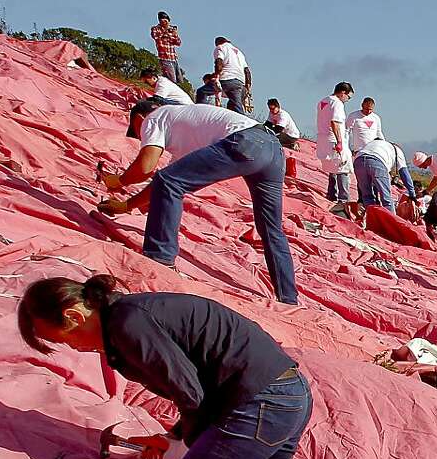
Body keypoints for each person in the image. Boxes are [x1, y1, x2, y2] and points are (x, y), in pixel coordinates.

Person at [17, 275, 393, 459]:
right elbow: (196, 389)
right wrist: (173, 438)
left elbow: (190, 393)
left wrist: (184, 445)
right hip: (288, 394)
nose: (77, 350)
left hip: (258, 403)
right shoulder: (134, 313)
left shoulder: (128, 324)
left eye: (62, 341)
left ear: (72, 317)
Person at [97, 99, 298, 306]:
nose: (141, 138)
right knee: (271, 229)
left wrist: (118, 180)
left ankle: (160, 260)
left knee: (169, 181)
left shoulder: (155, 118)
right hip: (274, 150)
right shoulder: (185, 126)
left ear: (139, 119)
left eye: (136, 132)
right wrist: (126, 206)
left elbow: (146, 167)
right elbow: (162, 186)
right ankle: (289, 298)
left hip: (247, 142)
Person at [353, 136, 419, 214]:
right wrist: (412, 195)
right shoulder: (397, 150)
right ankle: (392, 223)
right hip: (377, 161)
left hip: (358, 161)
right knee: (386, 199)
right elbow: (404, 173)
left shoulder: (372, 145)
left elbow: (362, 182)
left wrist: (361, 197)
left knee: (367, 197)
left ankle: (372, 222)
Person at [315, 82, 355, 208]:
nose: (347, 100)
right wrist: (339, 141)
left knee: (332, 168)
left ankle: (331, 194)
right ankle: (343, 199)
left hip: (323, 139)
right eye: (348, 97)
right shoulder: (337, 103)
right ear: (343, 92)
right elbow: (335, 122)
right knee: (342, 168)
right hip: (333, 139)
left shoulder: (323, 101)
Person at [212, 36, 250, 113]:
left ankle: (200, 112)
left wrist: (216, 76)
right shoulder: (239, 52)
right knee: (232, 105)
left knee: (202, 92)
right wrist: (248, 86)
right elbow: (247, 71)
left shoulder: (220, 48)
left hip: (227, 79)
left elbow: (219, 63)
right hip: (240, 83)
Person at [150, 12, 183, 87]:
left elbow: (178, 43)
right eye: (163, 21)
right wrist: (167, 32)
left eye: (166, 21)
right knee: (172, 81)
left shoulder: (172, 30)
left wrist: (174, 34)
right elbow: (156, 37)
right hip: (164, 57)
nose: (165, 23)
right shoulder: (155, 29)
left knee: (178, 80)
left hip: (173, 58)